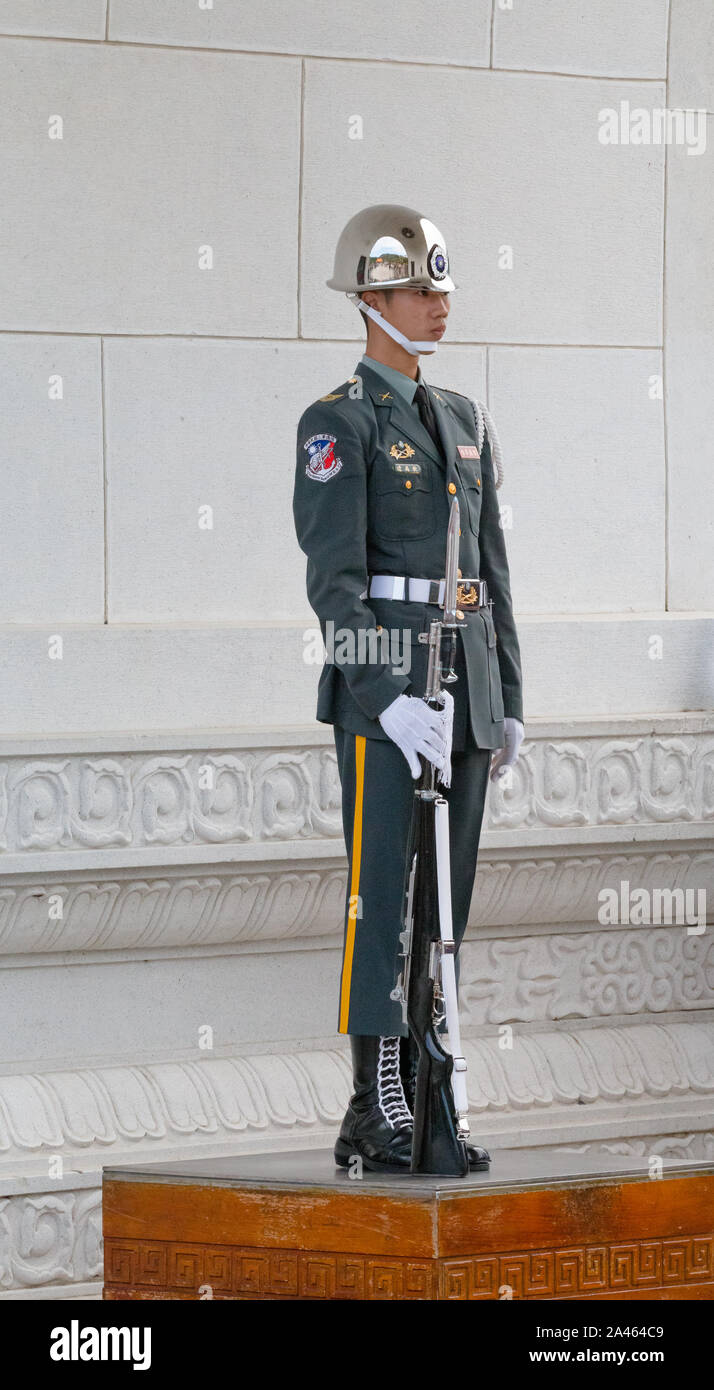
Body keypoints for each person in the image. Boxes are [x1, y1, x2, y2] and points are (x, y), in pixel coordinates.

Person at [292, 204, 524, 1173]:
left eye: (440, 287)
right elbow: (332, 582)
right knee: (381, 901)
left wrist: (507, 691)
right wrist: (385, 693)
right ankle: (374, 1102)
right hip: (384, 699)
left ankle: (430, 1101)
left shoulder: (464, 419)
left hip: (460, 685)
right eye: (420, 290)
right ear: (371, 301)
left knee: (445, 907)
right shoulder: (339, 424)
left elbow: (493, 567)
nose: (438, 304)